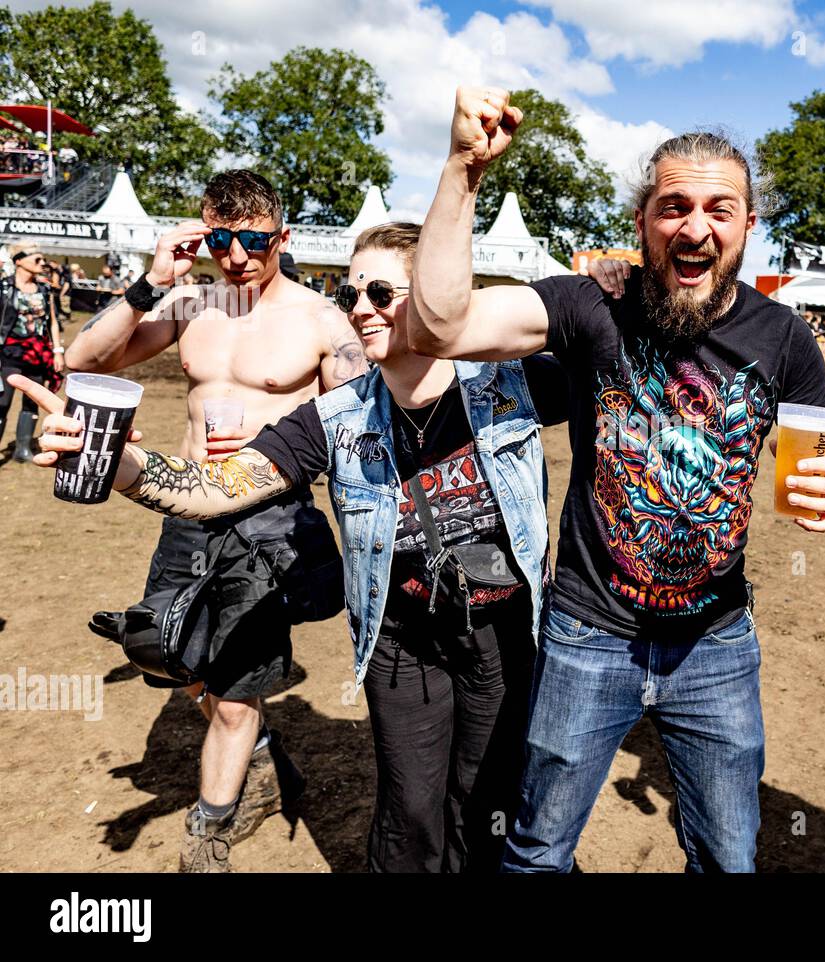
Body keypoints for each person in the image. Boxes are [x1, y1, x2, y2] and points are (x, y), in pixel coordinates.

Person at [12, 221, 567, 873]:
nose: (359, 307)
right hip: (402, 644)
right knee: (409, 817)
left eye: (381, 292)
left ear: (439, 298)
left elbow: (630, 390)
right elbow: (216, 486)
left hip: (503, 640)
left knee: (490, 805)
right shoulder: (336, 415)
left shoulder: (516, 382)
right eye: (353, 292)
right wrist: (117, 462)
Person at [406, 86, 825, 872]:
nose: (696, 227)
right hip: (589, 636)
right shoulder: (592, 308)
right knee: (537, 851)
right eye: (673, 206)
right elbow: (441, 324)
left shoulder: (783, 335)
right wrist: (462, 171)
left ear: (748, 228)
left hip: (716, 642)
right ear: (643, 223)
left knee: (728, 858)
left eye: (720, 210)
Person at [63, 169, 369, 872]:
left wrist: (283, 451)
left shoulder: (321, 320)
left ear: (282, 237)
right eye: (221, 239)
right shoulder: (192, 301)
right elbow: (81, 358)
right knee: (173, 658)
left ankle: (210, 828)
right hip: (186, 508)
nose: (236, 257)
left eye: (254, 241)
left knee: (233, 695)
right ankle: (259, 753)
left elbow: (359, 434)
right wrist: (150, 282)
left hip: (266, 520)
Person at [0, 246, 62, 463]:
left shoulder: (44, 290)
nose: (41, 261)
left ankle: (23, 449)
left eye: (43, 258)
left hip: (37, 355)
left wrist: (57, 351)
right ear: (18, 260)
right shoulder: (4, 287)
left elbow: (53, 322)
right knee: (2, 402)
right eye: (36, 258)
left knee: (31, 401)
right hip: (8, 353)